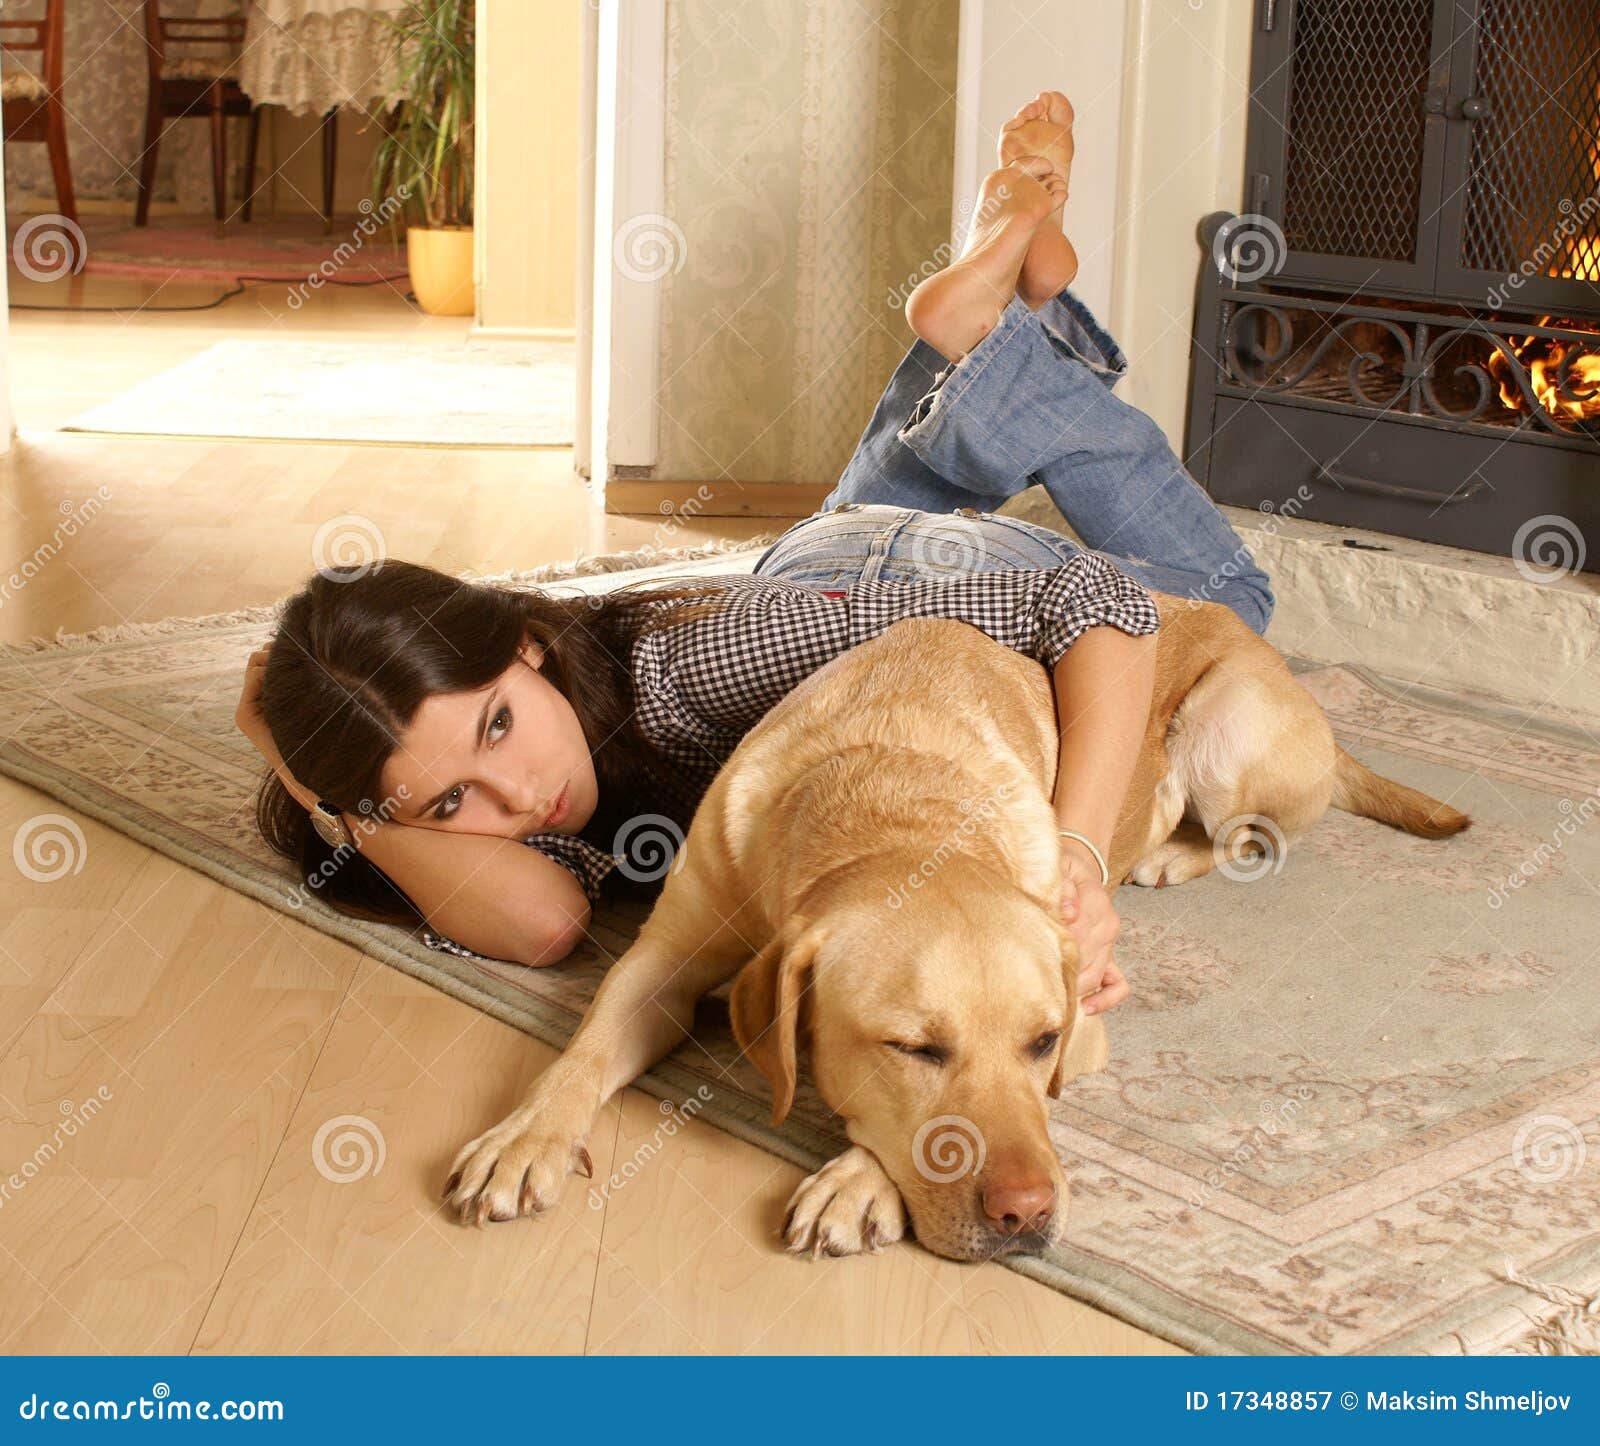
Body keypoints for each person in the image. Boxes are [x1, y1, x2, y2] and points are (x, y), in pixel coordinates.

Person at [236, 92, 1271, 1021]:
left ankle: (995, 339)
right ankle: (997, 300)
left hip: (856, 597)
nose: (516, 796)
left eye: (497, 725)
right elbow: (541, 927)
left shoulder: (691, 673)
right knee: (883, 515)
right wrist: (325, 795)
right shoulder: (532, 815)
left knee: (1229, 604)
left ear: (525, 645)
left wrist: (1073, 856)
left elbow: (1088, 601)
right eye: (448, 803)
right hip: (820, 574)